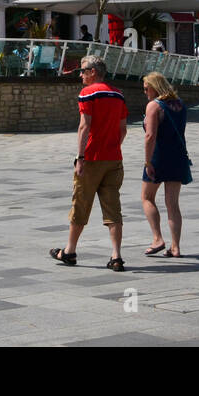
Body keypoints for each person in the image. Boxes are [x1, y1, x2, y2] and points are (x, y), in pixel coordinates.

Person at [50, 54, 128, 272]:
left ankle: (70, 251)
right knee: (113, 208)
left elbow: (85, 126)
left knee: (81, 204)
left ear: (93, 71)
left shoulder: (88, 93)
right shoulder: (118, 94)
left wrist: (80, 156)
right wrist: (114, 146)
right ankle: (116, 256)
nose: (81, 75)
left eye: (83, 71)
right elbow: (123, 129)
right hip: (114, 158)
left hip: (92, 157)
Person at [140, 71, 191, 257]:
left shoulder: (154, 106)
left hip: (158, 157)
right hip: (177, 157)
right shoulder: (179, 104)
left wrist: (147, 162)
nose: (145, 92)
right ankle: (175, 247)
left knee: (147, 197)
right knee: (172, 204)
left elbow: (150, 136)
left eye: (147, 89)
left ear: (154, 87)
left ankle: (157, 238)